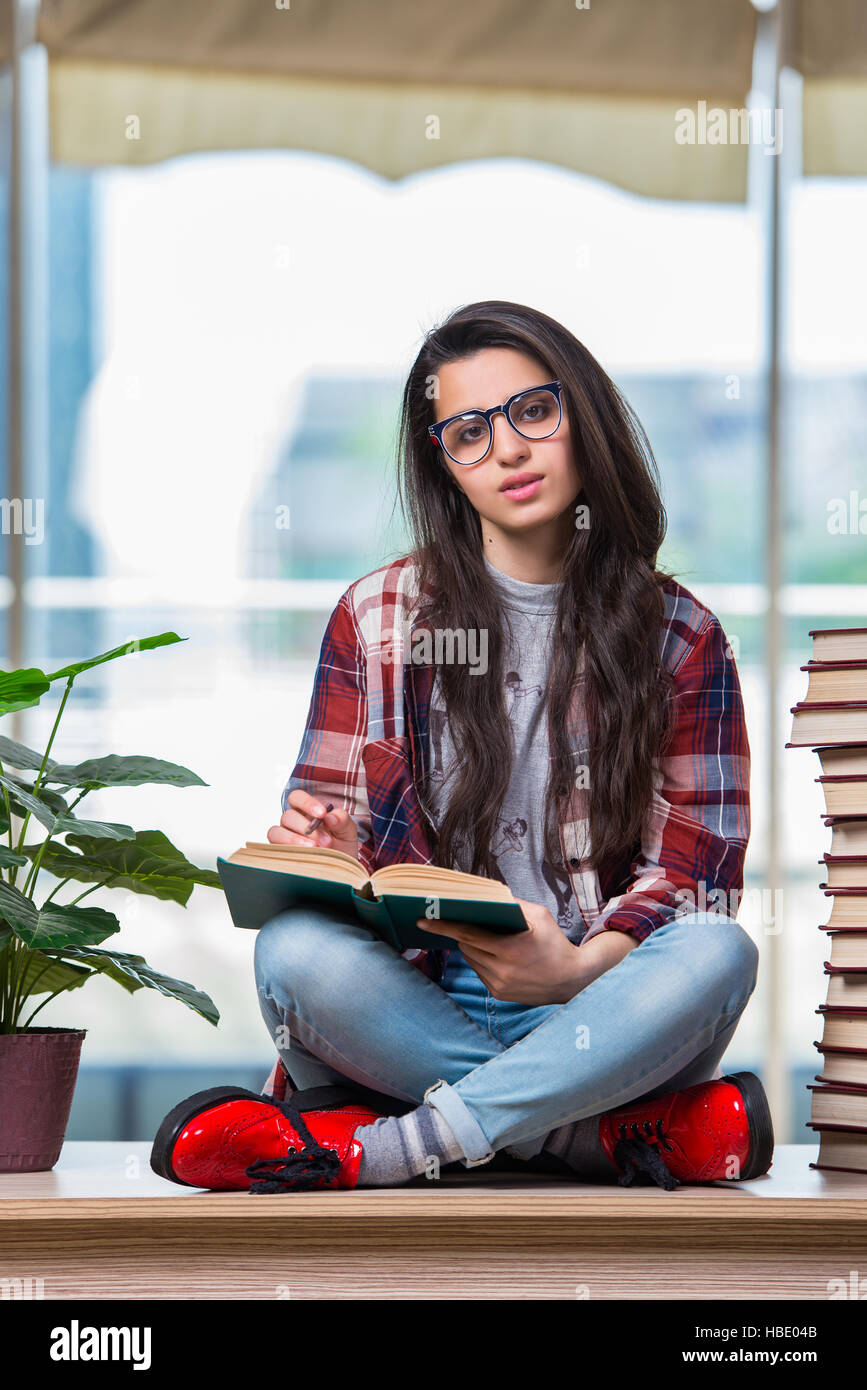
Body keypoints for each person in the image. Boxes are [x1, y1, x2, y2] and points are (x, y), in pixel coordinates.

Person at [151, 300, 772, 1195]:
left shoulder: (681, 634)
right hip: (418, 1007)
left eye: (531, 412)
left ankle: (390, 1147)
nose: (508, 451)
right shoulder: (377, 619)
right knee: (292, 948)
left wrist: (573, 968)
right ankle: (587, 1136)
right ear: (443, 466)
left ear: (581, 416)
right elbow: (339, 857)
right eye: (468, 434)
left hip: (605, 1003)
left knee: (718, 949)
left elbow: (695, 874)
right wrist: (323, 853)